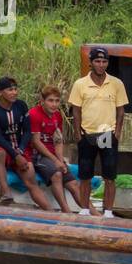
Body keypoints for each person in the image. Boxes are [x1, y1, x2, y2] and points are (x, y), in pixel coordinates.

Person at [68, 47, 129, 218]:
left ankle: (108, 211)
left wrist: (117, 133)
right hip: (87, 133)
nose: (101, 65)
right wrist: (77, 133)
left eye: (104, 61)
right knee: (85, 174)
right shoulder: (80, 84)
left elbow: (121, 111)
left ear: (108, 63)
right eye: (97, 61)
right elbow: (76, 110)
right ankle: (85, 209)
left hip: (106, 134)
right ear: (91, 63)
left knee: (109, 176)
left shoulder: (116, 83)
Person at [0, 77, 51, 210]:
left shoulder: (21, 105)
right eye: (10, 90)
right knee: (0, 153)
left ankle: (53, 213)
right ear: (0, 92)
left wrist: (20, 151)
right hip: (1, 147)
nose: (14, 92)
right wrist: (15, 155)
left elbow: (27, 131)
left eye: (16, 89)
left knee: (31, 182)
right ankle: (6, 193)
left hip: (20, 149)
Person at [29, 85, 86, 214]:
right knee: (57, 174)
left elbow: (58, 141)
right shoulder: (34, 114)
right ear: (42, 101)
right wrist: (55, 160)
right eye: (50, 100)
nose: (54, 104)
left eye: (57, 101)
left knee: (73, 184)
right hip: (36, 155)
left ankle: (94, 214)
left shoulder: (57, 115)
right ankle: (67, 212)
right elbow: (36, 142)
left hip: (52, 154)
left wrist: (61, 161)